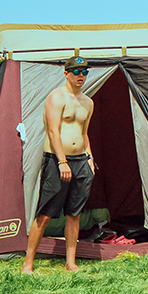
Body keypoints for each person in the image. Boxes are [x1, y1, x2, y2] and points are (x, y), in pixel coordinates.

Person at [22, 55, 96, 274]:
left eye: (84, 72)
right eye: (76, 72)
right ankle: (28, 263)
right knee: (45, 214)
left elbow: (84, 133)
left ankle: (70, 262)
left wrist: (90, 159)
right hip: (57, 160)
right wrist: (62, 161)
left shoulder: (87, 102)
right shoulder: (56, 97)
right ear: (66, 74)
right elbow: (53, 131)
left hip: (81, 160)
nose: (81, 76)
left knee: (75, 214)